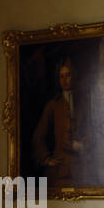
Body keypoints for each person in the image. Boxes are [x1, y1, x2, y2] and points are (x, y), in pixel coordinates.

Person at [32, 57, 87, 185]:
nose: (64, 80)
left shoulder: (83, 103)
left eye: (68, 75)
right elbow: (38, 135)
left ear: (74, 76)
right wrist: (46, 158)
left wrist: (83, 145)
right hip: (59, 170)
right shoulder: (52, 105)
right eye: (61, 76)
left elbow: (94, 130)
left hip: (81, 170)